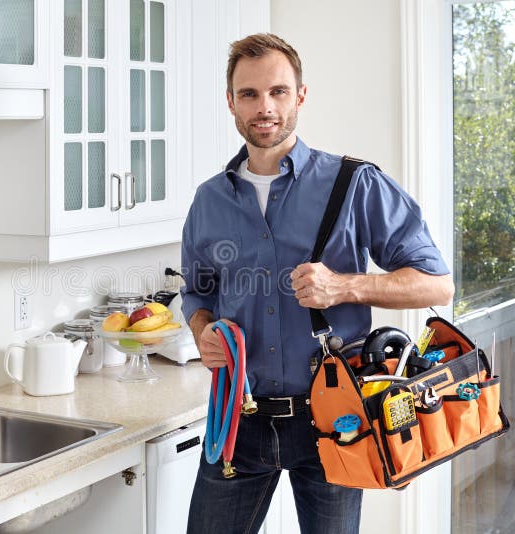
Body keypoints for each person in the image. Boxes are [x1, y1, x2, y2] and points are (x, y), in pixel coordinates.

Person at [180, 33, 454, 534]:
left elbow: (436, 286)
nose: (265, 107)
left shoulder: (355, 184)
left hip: (336, 419)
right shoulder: (208, 201)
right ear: (230, 102)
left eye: (278, 91)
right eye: (249, 94)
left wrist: (345, 287)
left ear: (300, 96)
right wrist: (203, 329)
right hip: (239, 420)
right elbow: (198, 292)